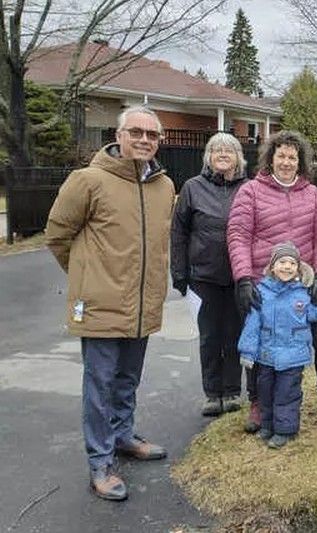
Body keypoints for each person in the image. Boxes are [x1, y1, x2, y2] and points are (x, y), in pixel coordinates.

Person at [45, 106, 173, 501]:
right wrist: (88, 278)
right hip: (100, 305)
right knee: (99, 385)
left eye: (152, 135)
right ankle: (100, 463)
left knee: (127, 380)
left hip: (142, 305)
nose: (144, 140)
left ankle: (122, 436)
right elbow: (57, 236)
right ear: (118, 136)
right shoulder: (88, 181)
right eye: (136, 132)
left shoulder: (164, 187)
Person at [228, 130, 317, 432]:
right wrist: (244, 278)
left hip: (304, 283)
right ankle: (258, 402)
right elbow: (238, 236)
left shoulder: (314, 196)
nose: (286, 162)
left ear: (301, 162)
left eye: (292, 157)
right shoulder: (250, 192)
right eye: (281, 155)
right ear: (271, 159)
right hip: (264, 284)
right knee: (259, 339)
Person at [171, 133, 249, 417]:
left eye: (229, 150)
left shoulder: (249, 188)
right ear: (208, 156)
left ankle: (231, 391)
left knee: (235, 335)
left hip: (239, 276)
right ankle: (211, 393)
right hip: (203, 276)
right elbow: (178, 232)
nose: (222, 154)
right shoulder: (193, 188)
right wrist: (179, 273)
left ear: (239, 156)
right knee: (209, 337)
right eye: (216, 149)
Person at [238, 242, 317, 449]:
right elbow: (252, 324)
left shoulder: (302, 294)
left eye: (292, 263)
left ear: (298, 269)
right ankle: (267, 425)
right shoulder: (261, 293)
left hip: (293, 356)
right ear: (272, 266)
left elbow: (314, 313)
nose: (287, 267)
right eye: (282, 262)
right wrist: (247, 351)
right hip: (267, 355)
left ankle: (286, 430)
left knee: (287, 394)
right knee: (265, 391)